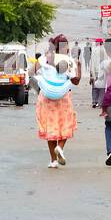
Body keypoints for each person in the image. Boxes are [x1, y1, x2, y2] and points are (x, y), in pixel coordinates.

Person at [34, 36, 81, 169]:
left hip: (46, 98)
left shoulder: (43, 58)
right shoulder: (69, 61)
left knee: (50, 127)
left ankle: (53, 161)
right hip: (63, 98)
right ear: (64, 46)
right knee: (65, 125)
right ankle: (60, 147)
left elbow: (34, 72)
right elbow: (75, 81)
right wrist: (79, 67)